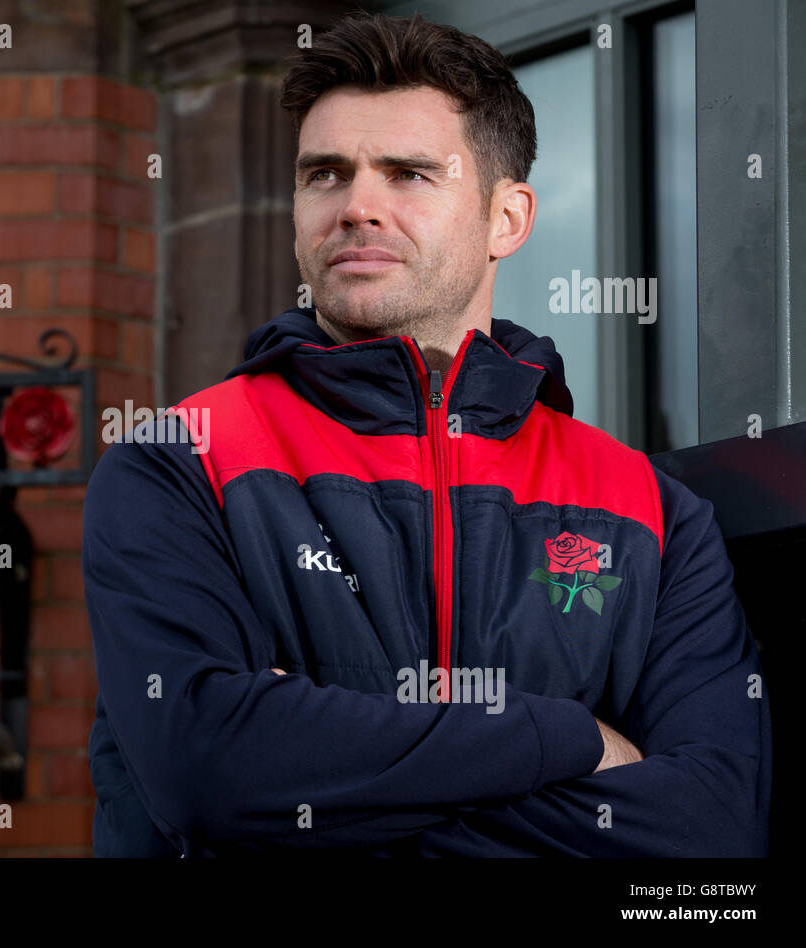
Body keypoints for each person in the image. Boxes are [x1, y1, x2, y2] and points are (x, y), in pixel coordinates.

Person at [82, 10, 771, 856]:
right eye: (325, 175)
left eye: (408, 174)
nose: (357, 207)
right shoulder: (177, 464)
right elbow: (204, 769)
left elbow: (710, 831)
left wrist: (327, 790)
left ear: (506, 220)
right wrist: (575, 742)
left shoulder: (649, 512)